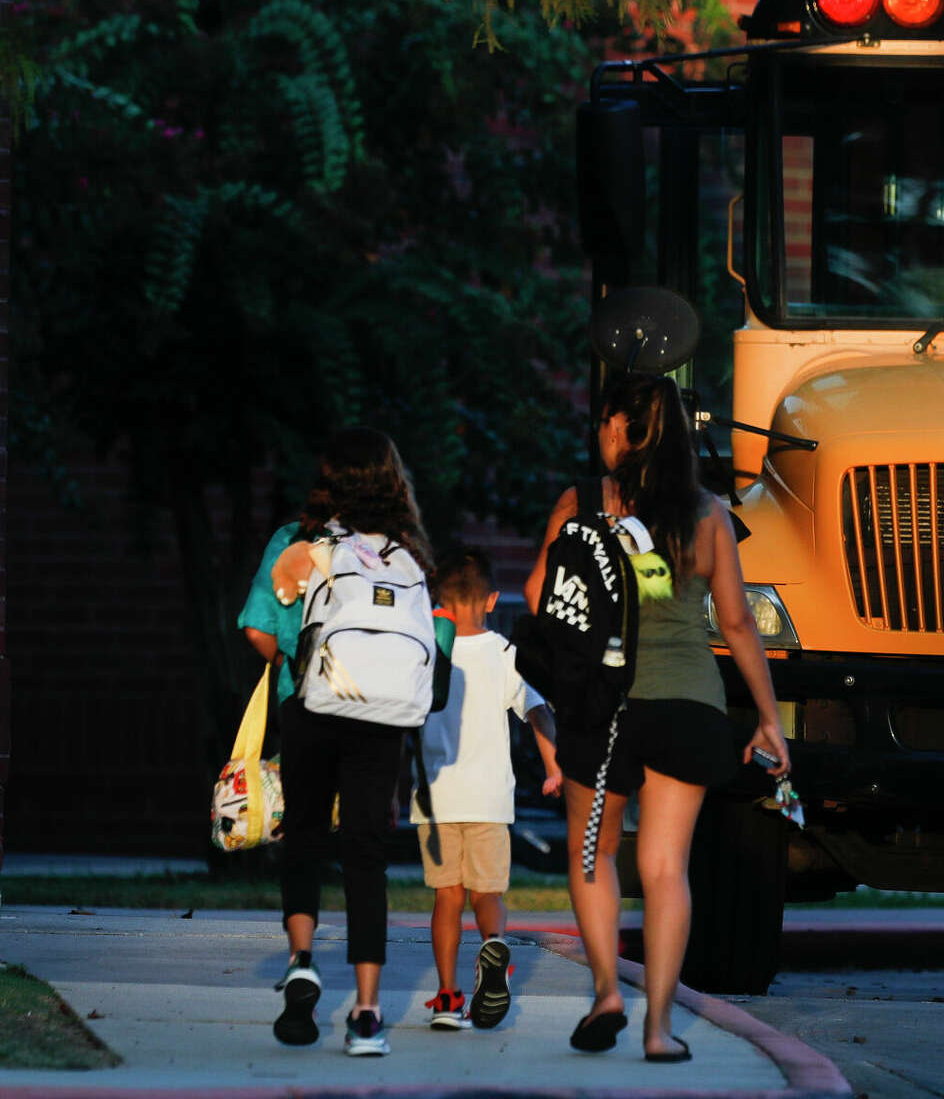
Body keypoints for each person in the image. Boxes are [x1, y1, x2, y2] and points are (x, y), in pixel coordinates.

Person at [525, 373, 790, 1064]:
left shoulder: (581, 505)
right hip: (689, 706)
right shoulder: (705, 513)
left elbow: (537, 598)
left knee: (594, 854)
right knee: (668, 867)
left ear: (617, 427)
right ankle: (659, 1029)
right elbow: (735, 622)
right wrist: (768, 720)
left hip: (603, 709)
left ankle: (609, 991)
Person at [256, 427, 435, 1058]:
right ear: (392, 481)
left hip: (316, 706)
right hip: (382, 717)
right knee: (366, 855)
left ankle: (303, 961)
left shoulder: (311, 545)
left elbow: (280, 597)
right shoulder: (409, 555)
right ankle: (366, 1012)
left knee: (304, 835)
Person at [412, 547, 563, 1032]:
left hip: (435, 799)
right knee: (488, 892)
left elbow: (400, 723)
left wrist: (394, 787)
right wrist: (553, 766)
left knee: (447, 899)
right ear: (492, 600)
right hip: (490, 800)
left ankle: (448, 996)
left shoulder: (425, 652)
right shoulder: (505, 654)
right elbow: (538, 710)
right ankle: (493, 944)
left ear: (439, 599)